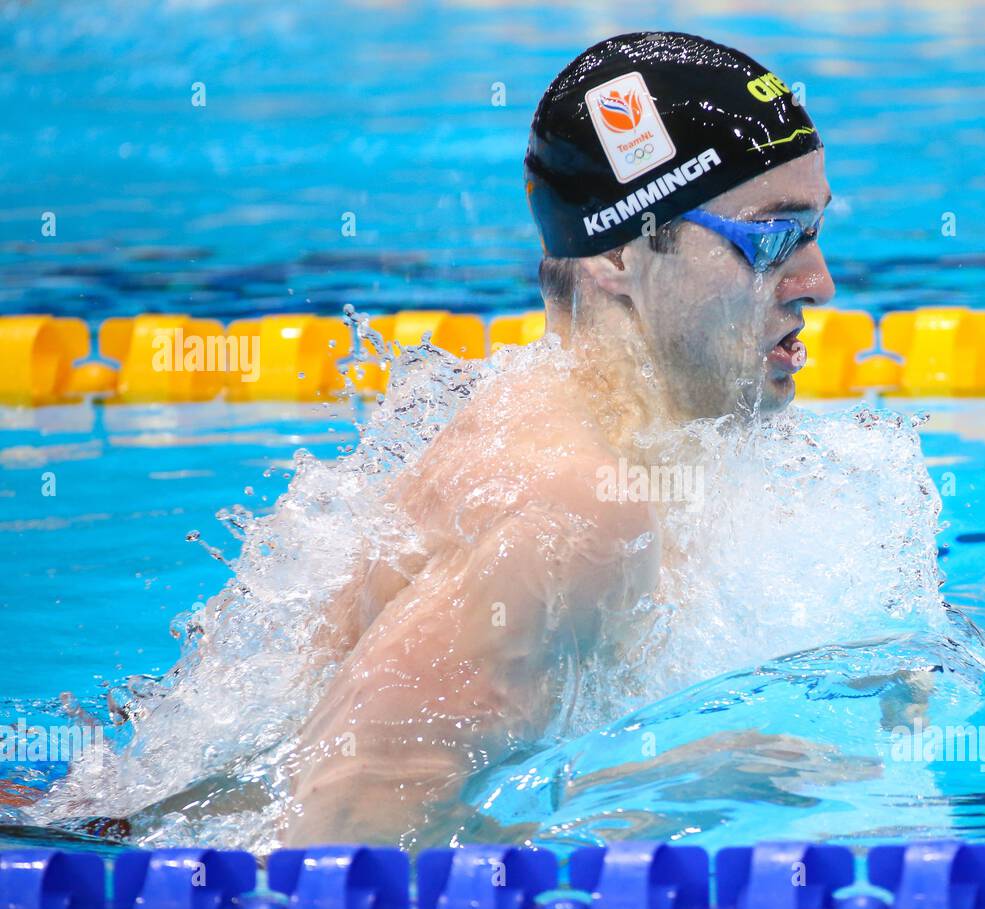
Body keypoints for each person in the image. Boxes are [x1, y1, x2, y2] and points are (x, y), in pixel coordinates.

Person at [283, 30, 835, 845]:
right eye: (774, 239)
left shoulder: (594, 439)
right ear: (621, 252)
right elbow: (341, 839)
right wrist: (672, 790)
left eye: (817, 231)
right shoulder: (581, 506)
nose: (819, 283)